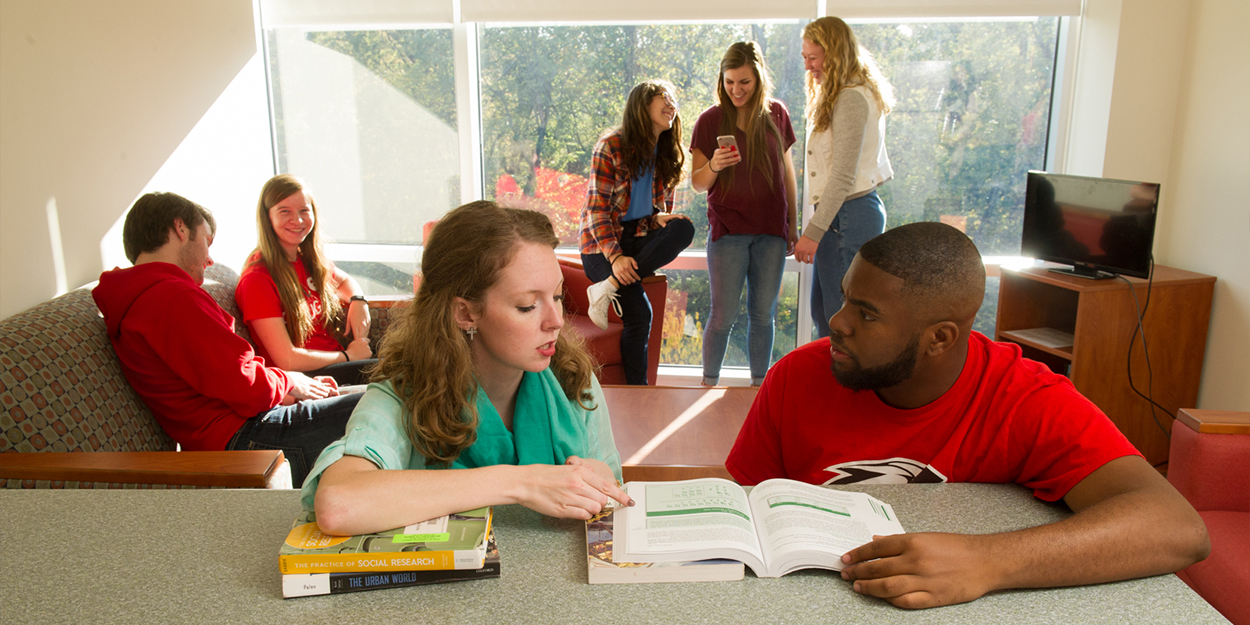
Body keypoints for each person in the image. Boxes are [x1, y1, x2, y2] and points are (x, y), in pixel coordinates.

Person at [725, 222, 1210, 609]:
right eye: (847, 296)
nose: (837, 321)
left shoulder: (1025, 397)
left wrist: (987, 560)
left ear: (940, 338)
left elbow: (1176, 528)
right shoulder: (797, 377)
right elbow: (748, 515)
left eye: (867, 314)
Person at [305, 201, 631, 536]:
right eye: (527, 305)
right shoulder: (403, 396)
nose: (556, 321)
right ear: (465, 313)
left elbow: (612, 489)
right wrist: (522, 482)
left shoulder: (573, 378)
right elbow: (338, 505)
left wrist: (600, 482)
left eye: (558, 296)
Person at [92, 192, 362, 487]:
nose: (208, 259)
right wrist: (290, 382)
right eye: (206, 242)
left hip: (238, 428)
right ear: (180, 230)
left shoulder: (140, 295)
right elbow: (245, 384)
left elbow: (219, 380)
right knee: (389, 403)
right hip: (248, 440)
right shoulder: (171, 298)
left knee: (372, 393)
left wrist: (290, 387)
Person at [689, 42, 799, 386]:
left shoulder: (777, 114)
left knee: (763, 315)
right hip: (728, 231)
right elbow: (696, 182)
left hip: (771, 232)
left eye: (744, 82)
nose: (736, 90)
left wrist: (792, 225)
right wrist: (715, 165)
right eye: (729, 82)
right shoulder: (709, 120)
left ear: (759, 79)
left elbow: (788, 175)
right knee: (722, 316)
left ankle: (758, 388)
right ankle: (708, 384)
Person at [579, 80, 695, 385]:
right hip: (600, 246)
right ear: (642, 105)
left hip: (638, 237)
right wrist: (616, 257)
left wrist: (658, 218)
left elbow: (643, 209)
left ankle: (607, 287)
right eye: (664, 99)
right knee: (640, 314)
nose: (671, 105)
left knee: (683, 228)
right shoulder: (611, 146)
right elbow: (597, 211)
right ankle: (638, 392)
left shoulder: (663, 152)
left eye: (673, 101)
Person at [795, 16, 896, 338]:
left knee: (841, 322)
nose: (809, 65)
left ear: (835, 53)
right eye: (805, 58)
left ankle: (845, 388)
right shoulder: (848, 93)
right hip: (843, 215)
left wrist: (812, 231)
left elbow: (842, 175)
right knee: (825, 315)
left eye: (813, 57)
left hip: (848, 215)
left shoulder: (851, 97)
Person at [235, 175, 375, 386]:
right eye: (285, 212)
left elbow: (346, 281)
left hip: (336, 363)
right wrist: (349, 356)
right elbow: (287, 359)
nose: (298, 220)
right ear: (267, 217)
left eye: (304, 211)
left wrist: (358, 301)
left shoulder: (306, 260)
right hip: (309, 378)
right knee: (404, 375)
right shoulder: (257, 279)